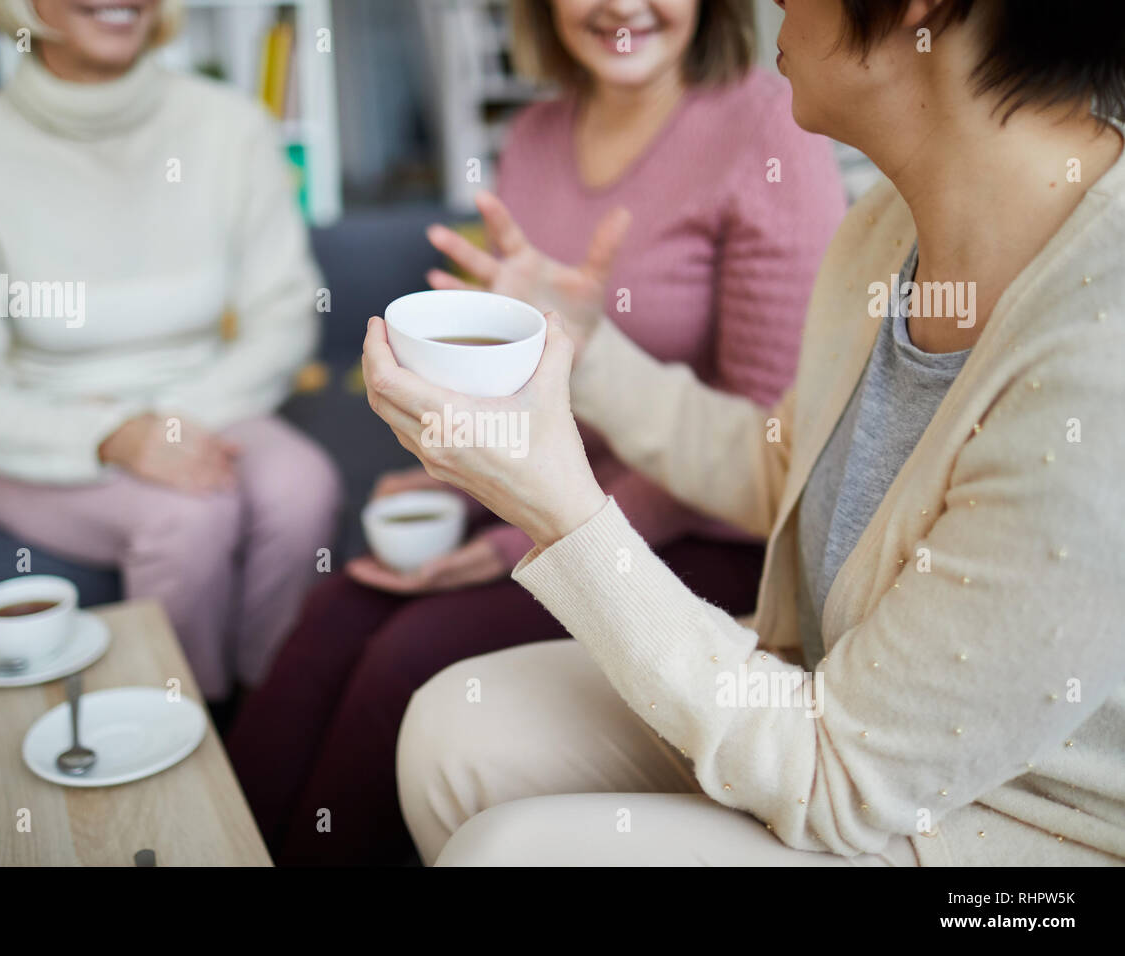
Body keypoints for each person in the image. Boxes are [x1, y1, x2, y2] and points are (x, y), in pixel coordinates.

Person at [379, 0, 1125, 865]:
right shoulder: (888, 226)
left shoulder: (1098, 359)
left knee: (513, 853)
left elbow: (843, 776)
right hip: (838, 705)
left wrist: (561, 511)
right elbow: (786, 470)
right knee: (455, 725)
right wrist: (583, 348)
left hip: (1012, 840)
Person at [228, 0, 845, 864]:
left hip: (700, 537)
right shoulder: (537, 132)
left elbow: (768, 438)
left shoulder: (770, 127)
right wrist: (462, 483)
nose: (621, 6)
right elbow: (523, 369)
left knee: (407, 659)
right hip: (544, 492)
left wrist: (515, 521)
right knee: (339, 606)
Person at [0, 0, 340, 703]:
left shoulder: (233, 128)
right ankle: (181, 734)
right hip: (39, 426)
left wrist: (163, 425)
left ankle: (272, 717)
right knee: (191, 517)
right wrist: (110, 436)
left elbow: (286, 317)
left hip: (208, 399)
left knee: (303, 487)